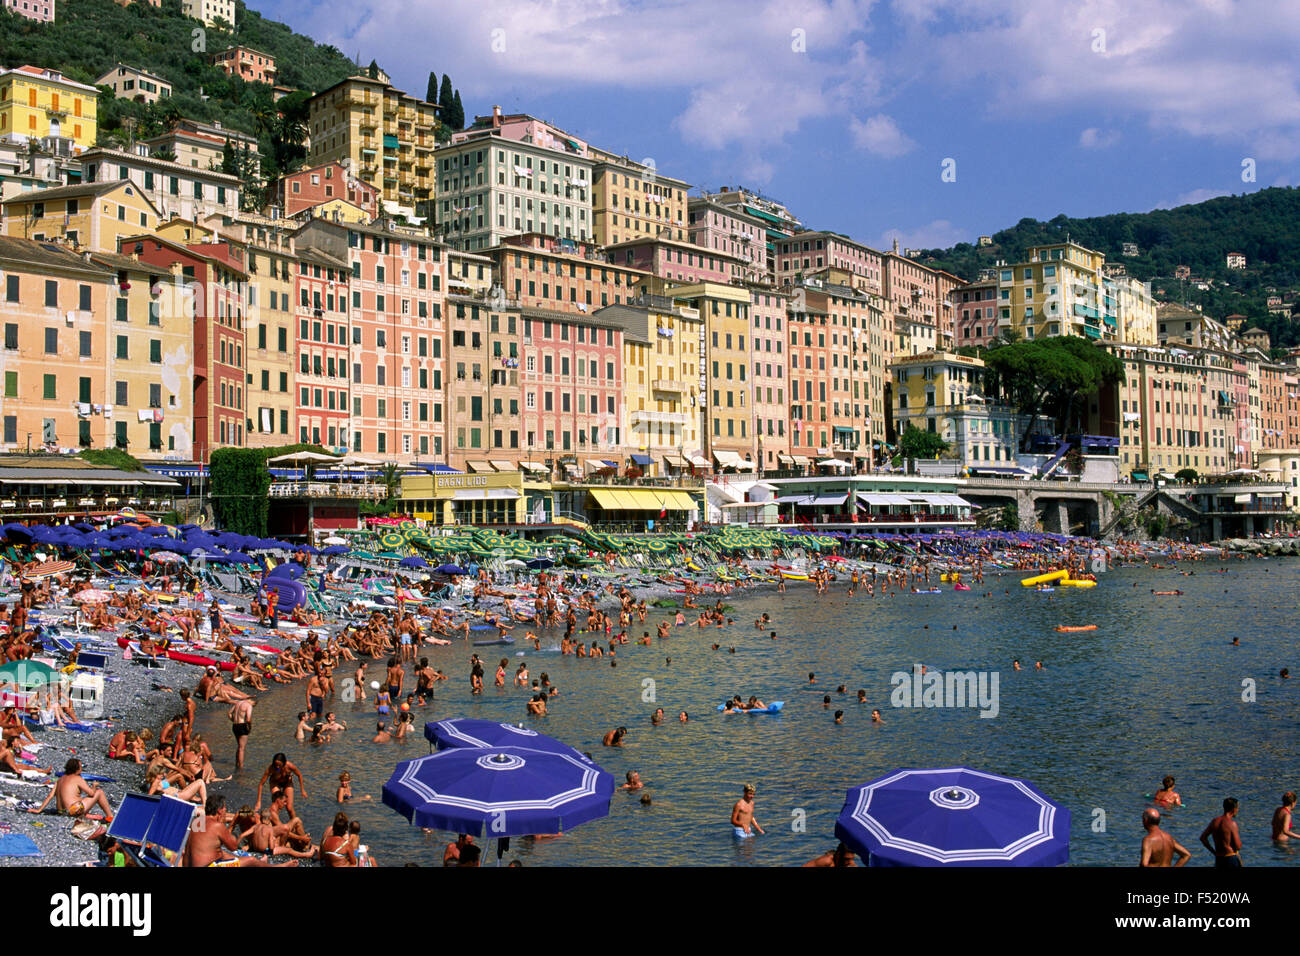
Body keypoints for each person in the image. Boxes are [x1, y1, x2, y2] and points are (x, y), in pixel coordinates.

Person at [34, 759, 113, 820]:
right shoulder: (77, 778)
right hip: (73, 810)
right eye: (81, 767)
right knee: (99, 792)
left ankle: (84, 815)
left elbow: (50, 796)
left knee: (79, 798)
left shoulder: (60, 779)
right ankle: (110, 817)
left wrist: (39, 810)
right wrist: (94, 786)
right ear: (77, 769)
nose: (81, 769)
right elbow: (91, 793)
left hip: (61, 811)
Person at [255, 753, 307, 818]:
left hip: (287, 783)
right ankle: (275, 823)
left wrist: (302, 790)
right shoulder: (271, 768)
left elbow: (299, 775)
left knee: (289, 808)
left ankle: (295, 822)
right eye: (276, 765)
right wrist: (258, 801)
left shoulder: (290, 766)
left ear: (284, 763)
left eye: (279, 765)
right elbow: (261, 784)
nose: (277, 767)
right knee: (276, 805)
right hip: (275, 783)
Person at [1199, 798, 1243, 867]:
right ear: (1234, 809)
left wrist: (1213, 852)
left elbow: (1203, 838)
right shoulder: (1232, 824)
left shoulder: (1215, 821)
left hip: (1219, 858)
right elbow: (1238, 846)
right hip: (1230, 858)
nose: (1237, 810)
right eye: (1237, 808)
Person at [228, 697, 253, 770]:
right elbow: (248, 719)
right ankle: (241, 767)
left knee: (239, 746)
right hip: (242, 726)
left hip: (235, 725)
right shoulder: (249, 705)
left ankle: (237, 764)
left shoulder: (238, 703)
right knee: (242, 748)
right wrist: (250, 727)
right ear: (252, 702)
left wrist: (233, 720)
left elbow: (229, 713)